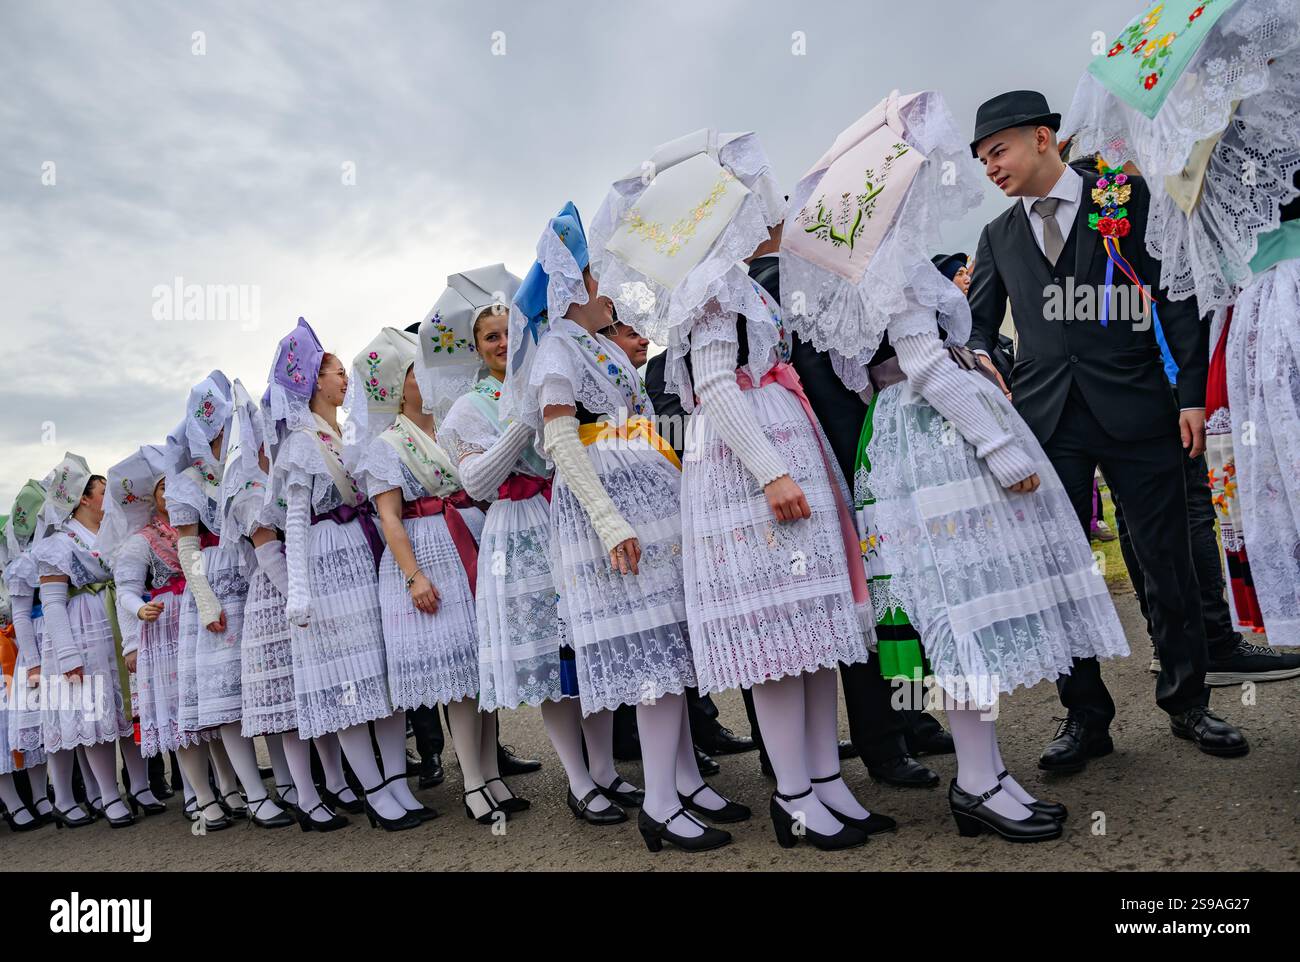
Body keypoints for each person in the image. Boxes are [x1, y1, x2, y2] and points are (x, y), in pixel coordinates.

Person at [782, 89, 1121, 841]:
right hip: (941, 443)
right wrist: (997, 446)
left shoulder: (873, 265)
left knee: (967, 608)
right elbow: (923, 366)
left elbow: (864, 372)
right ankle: (977, 780)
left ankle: (987, 772)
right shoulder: (889, 261)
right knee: (965, 609)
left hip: (915, 438)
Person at [593, 129, 880, 850]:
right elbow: (717, 386)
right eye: (763, 202)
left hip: (783, 445)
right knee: (781, 640)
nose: (776, 211)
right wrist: (770, 471)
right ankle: (793, 794)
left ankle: (823, 780)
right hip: (749, 469)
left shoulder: (743, 284)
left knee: (811, 637)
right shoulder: (714, 287)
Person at [967, 89, 1248, 768]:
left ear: (1042, 138)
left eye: (996, 151)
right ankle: (1084, 716)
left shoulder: (1128, 199)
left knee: (1166, 561)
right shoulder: (997, 236)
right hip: (1046, 420)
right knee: (1063, 570)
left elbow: (1177, 292)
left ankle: (1188, 703)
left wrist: (1188, 395)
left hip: (1139, 407)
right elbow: (978, 322)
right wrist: (978, 351)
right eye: (980, 161)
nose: (989, 168)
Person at [504, 201, 740, 852]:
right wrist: (607, 521)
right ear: (575, 286)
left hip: (644, 499)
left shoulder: (597, 347)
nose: (607, 287)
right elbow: (557, 434)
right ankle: (662, 802)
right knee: (651, 656)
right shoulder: (558, 347)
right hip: (607, 511)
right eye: (597, 275)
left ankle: (683, 781)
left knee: (667, 646)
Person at [434, 266, 637, 824]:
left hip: (564, 512)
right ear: (476, 349)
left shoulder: (549, 369)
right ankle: (577, 781)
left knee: (588, 646)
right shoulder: (468, 410)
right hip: (518, 527)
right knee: (552, 657)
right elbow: (476, 484)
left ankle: (604, 769)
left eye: (508, 332)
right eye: (490, 337)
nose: (502, 343)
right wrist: (524, 422)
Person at [355, 324, 518, 825]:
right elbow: (389, 517)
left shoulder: (447, 424)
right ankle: (472, 782)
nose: (423, 377)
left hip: (466, 538)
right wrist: (413, 576)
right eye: (412, 372)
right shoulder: (387, 444)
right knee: (462, 680)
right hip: (427, 547)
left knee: (481, 667)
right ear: (396, 387)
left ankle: (491, 775)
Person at [266, 317, 425, 831]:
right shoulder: (299, 443)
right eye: (337, 371)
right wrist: (298, 593)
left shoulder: (345, 433)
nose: (344, 380)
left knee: (383, 670)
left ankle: (397, 780)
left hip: (362, 552)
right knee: (352, 679)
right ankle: (374, 789)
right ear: (316, 379)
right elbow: (293, 520)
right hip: (326, 557)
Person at [32, 454, 139, 827]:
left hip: (112, 620)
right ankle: (108, 796)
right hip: (82, 627)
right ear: (83, 499)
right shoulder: (59, 545)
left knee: (120, 705)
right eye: (102, 492)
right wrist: (65, 654)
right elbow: (52, 604)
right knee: (94, 712)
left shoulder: (111, 534)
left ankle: (137, 786)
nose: (108, 499)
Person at [1, 480, 54, 828]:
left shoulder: (15, 559)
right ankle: (12, 801)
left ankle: (41, 795)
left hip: (14, 645)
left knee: (27, 720)